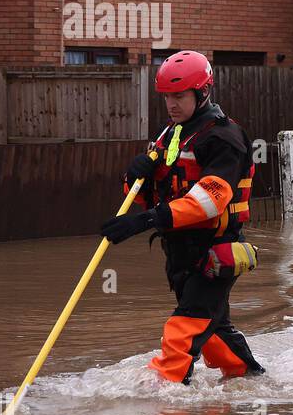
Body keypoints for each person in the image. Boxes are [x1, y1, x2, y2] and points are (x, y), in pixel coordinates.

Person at [101, 50, 265, 384]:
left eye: (179, 96)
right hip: (179, 252)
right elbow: (153, 193)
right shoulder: (170, 135)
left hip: (215, 252)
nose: (171, 104)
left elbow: (210, 201)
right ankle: (250, 383)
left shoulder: (224, 138)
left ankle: (161, 404)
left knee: (183, 331)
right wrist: (134, 177)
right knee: (215, 337)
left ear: (203, 92)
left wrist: (144, 221)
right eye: (166, 98)